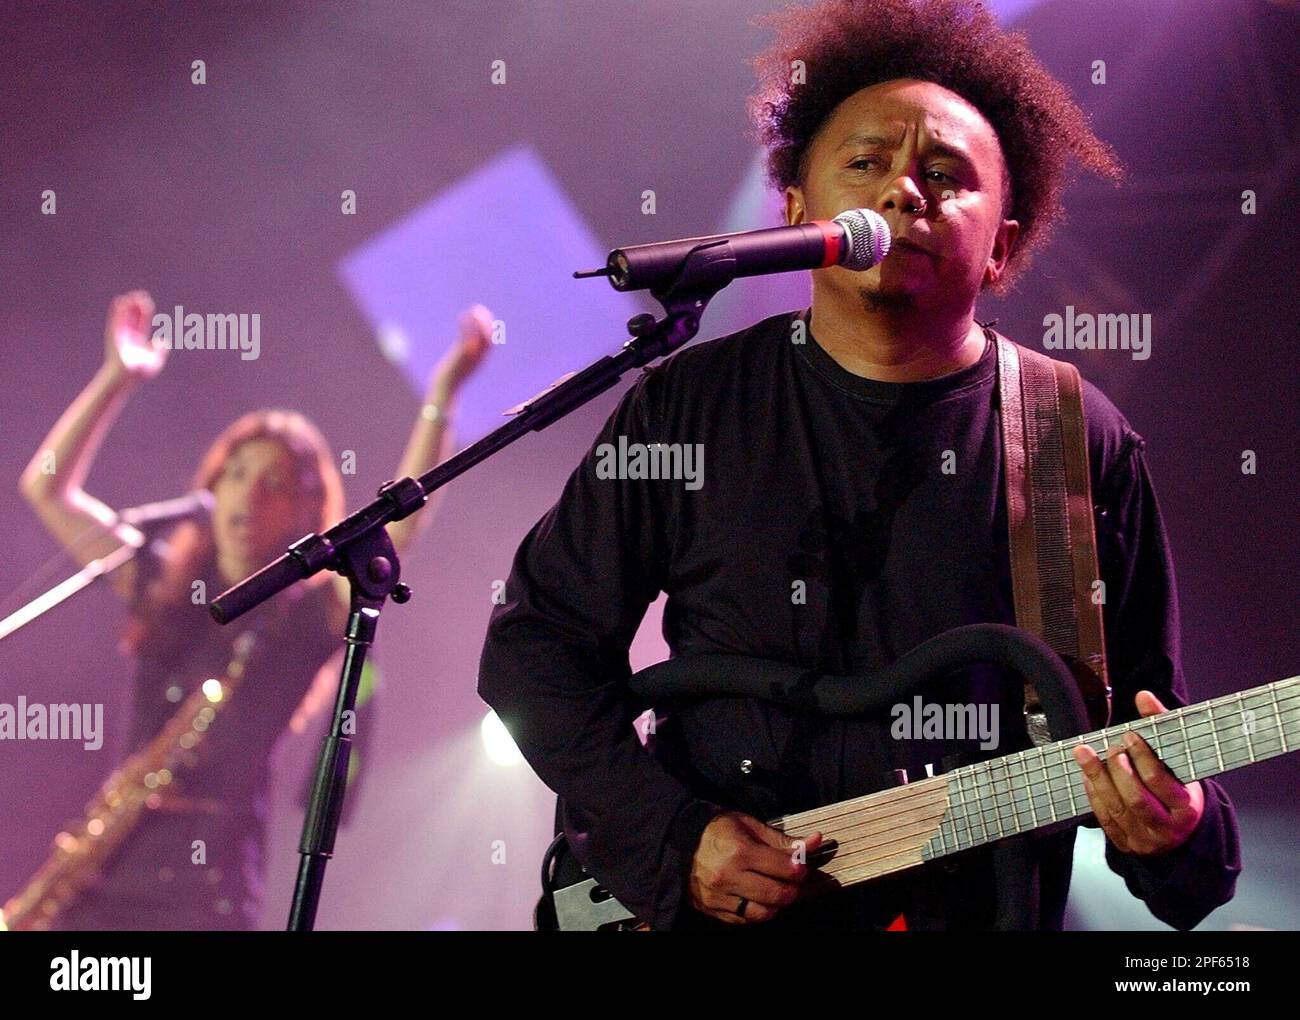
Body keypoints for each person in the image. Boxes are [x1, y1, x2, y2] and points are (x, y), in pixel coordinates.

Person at [478, 0, 1241, 931]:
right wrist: (675, 840)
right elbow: (533, 651)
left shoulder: (1077, 444)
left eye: (945, 175)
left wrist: (1177, 830)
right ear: (796, 209)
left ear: (1002, 244)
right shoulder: (690, 404)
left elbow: (1164, 780)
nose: (903, 193)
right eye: (868, 163)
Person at [16, 289, 490, 929]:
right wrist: (116, 379)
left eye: (274, 484)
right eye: (237, 474)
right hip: (103, 876)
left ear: (303, 512)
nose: (248, 494)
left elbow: (399, 531)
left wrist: (443, 396)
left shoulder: (307, 614)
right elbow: (47, 486)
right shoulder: (161, 582)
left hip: (203, 896)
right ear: (213, 488)